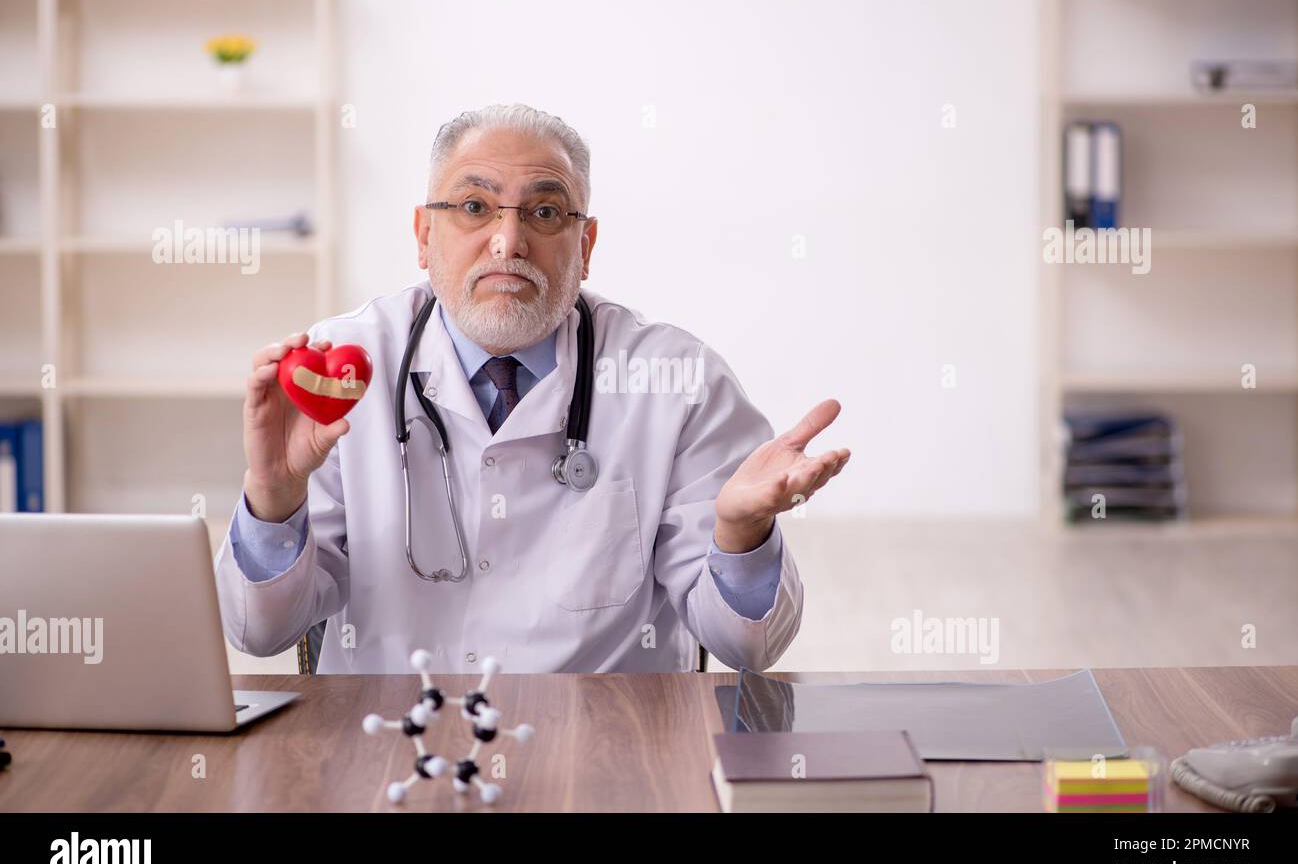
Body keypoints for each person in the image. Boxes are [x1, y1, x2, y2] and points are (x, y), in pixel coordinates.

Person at [215, 103, 850, 674]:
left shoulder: (677, 381)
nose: (508, 241)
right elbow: (261, 632)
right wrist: (275, 496)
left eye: (545, 212)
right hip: (385, 754)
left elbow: (750, 647)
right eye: (473, 207)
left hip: (605, 762)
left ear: (586, 243)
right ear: (423, 235)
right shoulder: (340, 371)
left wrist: (742, 533)